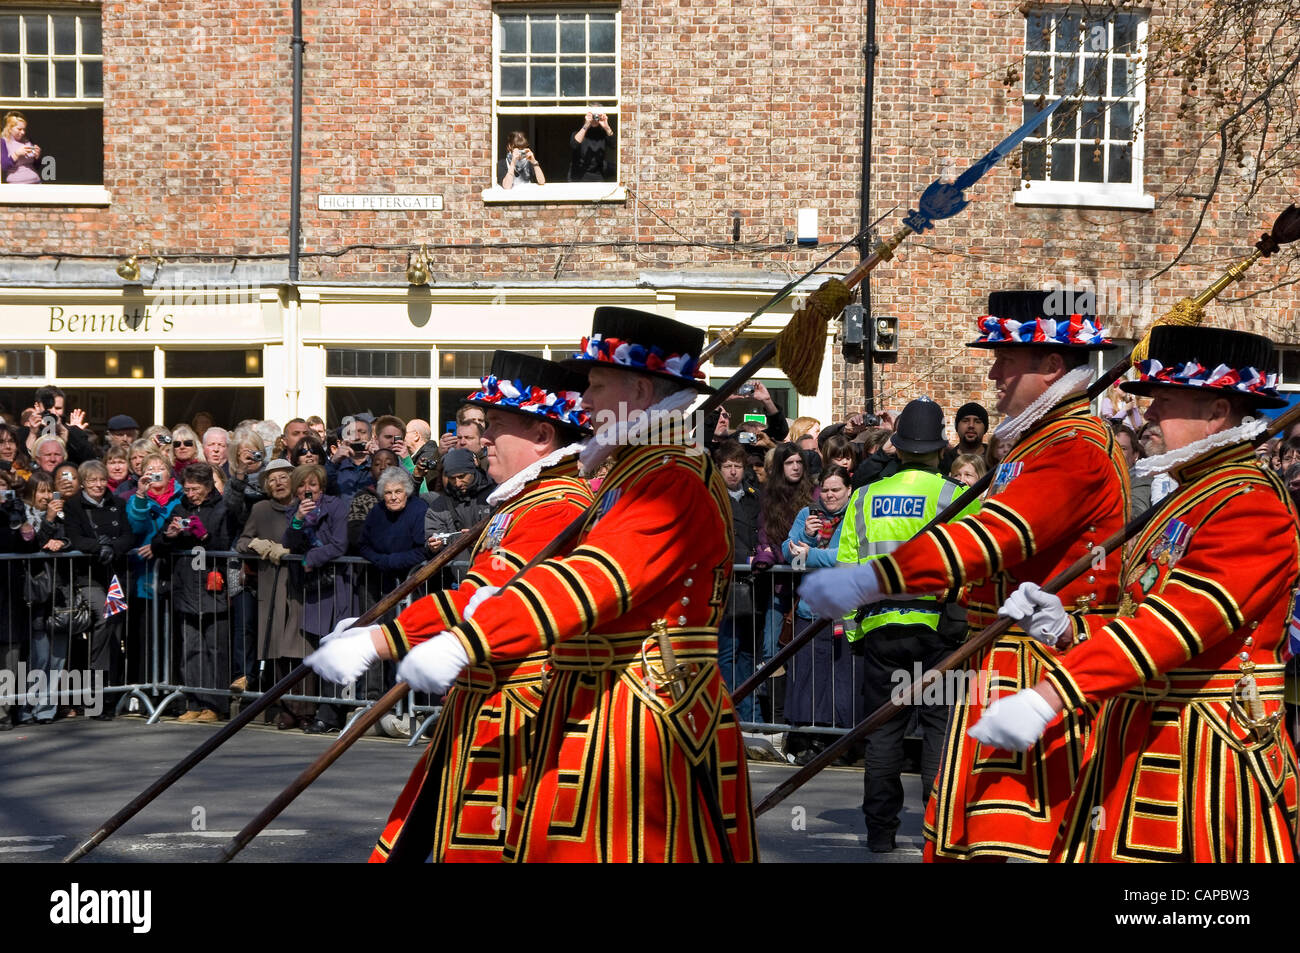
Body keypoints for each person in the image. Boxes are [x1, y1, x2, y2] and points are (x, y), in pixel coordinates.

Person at [383, 308, 758, 862]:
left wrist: (457, 639)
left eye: (598, 385)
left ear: (637, 388)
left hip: (644, 711)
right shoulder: (633, 471)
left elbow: (592, 580)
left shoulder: (671, 477)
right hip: (602, 698)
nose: (585, 401)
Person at [799, 288, 1129, 863]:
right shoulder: (1039, 440)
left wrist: (870, 579)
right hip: (991, 651)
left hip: (1038, 660)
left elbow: (997, 538)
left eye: (1006, 359)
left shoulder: (1073, 445)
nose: (995, 374)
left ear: (1052, 365)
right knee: (969, 821)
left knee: (1014, 838)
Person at [981, 326, 1300, 862]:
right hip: (1141, 736)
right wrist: (1068, 628)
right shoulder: (1194, 492)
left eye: (1164, 402)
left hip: (1205, 747)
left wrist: (1051, 694)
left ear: (1217, 412)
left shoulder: (1249, 503)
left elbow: (1174, 629)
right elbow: (1141, 614)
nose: (1146, 417)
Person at [307, 351, 592, 861]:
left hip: (522, 708)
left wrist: (385, 637)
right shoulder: (527, 499)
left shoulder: (558, 506)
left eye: (497, 425)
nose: (481, 440)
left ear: (543, 437)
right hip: (488, 697)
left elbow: (487, 597)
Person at [833, 398, 980, 852]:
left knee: (883, 734)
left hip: (881, 631)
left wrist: (855, 631)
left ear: (897, 447)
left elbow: (847, 571)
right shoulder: (956, 496)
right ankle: (936, 831)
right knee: (939, 731)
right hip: (940, 633)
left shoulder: (863, 497)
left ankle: (880, 832)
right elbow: (974, 567)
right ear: (940, 449)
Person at [781, 465, 854, 764]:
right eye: (825, 490)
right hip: (809, 610)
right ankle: (807, 741)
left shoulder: (854, 515)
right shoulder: (806, 515)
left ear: (849, 490)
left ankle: (838, 744)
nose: (830, 495)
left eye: (836, 490)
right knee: (808, 679)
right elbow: (788, 552)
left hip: (843, 612)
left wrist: (811, 555)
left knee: (839, 681)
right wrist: (808, 539)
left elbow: (845, 556)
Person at [152, 462, 231, 723]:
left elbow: (225, 546)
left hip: (213, 588)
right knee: (191, 648)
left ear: (208, 487)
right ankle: (194, 701)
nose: (190, 493)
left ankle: (216, 705)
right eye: (186, 489)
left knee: (215, 650)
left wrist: (205, 536)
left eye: (195, 489)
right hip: (185, 587)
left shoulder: (222, 509)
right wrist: (170, 536)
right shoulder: (179, 508)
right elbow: (157, 545)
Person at [235, 458, 309, 727]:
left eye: (284, 477)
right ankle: (284, 709)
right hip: (271, 586)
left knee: (301, 648)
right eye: (272, 479)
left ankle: (305, 709)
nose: (278, 483)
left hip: (301, 585)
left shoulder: (304, 506)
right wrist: (259, 544)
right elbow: (241, 541)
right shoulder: (260, 509)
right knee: (277, 650)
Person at [283, 463, 352, 734]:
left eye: (312, 484)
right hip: (312, 588)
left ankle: (331, 715)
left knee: (333, 647)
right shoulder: (295, 509)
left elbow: (339, 544)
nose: (307, 490)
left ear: (321, 486)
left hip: (336, 585)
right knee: (319, 648)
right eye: (301, 485)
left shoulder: (336, 506)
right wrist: (299, 518)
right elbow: (290, 540)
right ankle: (321, 712)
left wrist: (311, 558)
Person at [63, 460, 135, 712]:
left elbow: (128, 535)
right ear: (82, 482)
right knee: (104, 617)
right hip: (87, 576)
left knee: (116, 627)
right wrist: (97, 547)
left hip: (112, 574)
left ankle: (109, 693)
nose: (98, 485)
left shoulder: (118, 503)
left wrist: (112, 547)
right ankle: (96, 680)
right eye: (92, 480)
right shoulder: (73, 506)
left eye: (102, 480)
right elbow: (74, 537)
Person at [422, 448, 493, 552]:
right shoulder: (438, 507)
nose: (458, 483)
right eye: (452, 478)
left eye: (462, 476)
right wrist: (433, 547)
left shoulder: (495, 497)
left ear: (473, 470)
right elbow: (430, 544)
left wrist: (481, 541)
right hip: (456, 566)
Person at [939, 401, 989, 475]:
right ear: (957, 427)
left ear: (985, 428)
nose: (971, 425)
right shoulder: (945, 460)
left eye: (977, 421)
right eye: (965, 421)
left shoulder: (994, 459)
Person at [569, 107, 614, 182]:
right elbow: (574, 145)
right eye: (593, 115)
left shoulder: (603, 134)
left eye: (597, 116)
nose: (595, 118)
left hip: (597, 175)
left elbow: (614, 145)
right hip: (578, 176)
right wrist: (586, 124)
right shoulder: (578, 132)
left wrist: (606, 127)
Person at [1, 111, 42, 184]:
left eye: (24, 129)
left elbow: (37, 166)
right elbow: (4, 166)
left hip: (35, 182)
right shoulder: (3, 142)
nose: (23, 132)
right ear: (9, 129)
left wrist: (37, 156)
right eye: (19, 129)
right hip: (16, 186)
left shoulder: (28, 141)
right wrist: (17, 154)